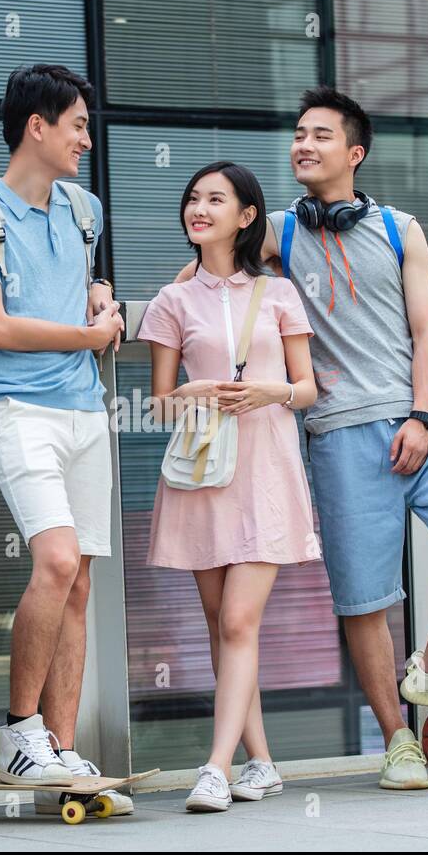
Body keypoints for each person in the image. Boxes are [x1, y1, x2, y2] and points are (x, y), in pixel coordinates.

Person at [176, 87, 428, 791]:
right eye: (298, 134)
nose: (303, 145)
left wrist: (423, 417)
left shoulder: (400, 228)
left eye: (320, 136)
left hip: (423, 417)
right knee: (364, 600)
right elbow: (206, 271)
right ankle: (398, 742)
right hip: (336, 433)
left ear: (353, 153)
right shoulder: (276, 231)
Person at [0, 64, 131, 816]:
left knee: (80, 580)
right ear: (38, 126)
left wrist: (103, 296)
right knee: (55, 560)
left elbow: (88, 286)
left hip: (85, 412)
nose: (87, 139)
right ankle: (20, 732)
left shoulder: (84, 209)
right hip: (16, 409)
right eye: (78, 125)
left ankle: (57, 746)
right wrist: (87, 334)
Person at [138, 161, 318, 812]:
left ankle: (215, 766)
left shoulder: (279, 296)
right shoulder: (170, 302)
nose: (199, 208)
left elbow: (308, 388)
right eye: (193, 198)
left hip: (267, 471)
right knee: (223, 628)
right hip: (204, 473)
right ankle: (261, 762)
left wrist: (271, 391)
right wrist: (187, 392)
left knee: (240, 619)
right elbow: (157, 404)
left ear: (246, 217)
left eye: (216, 199)